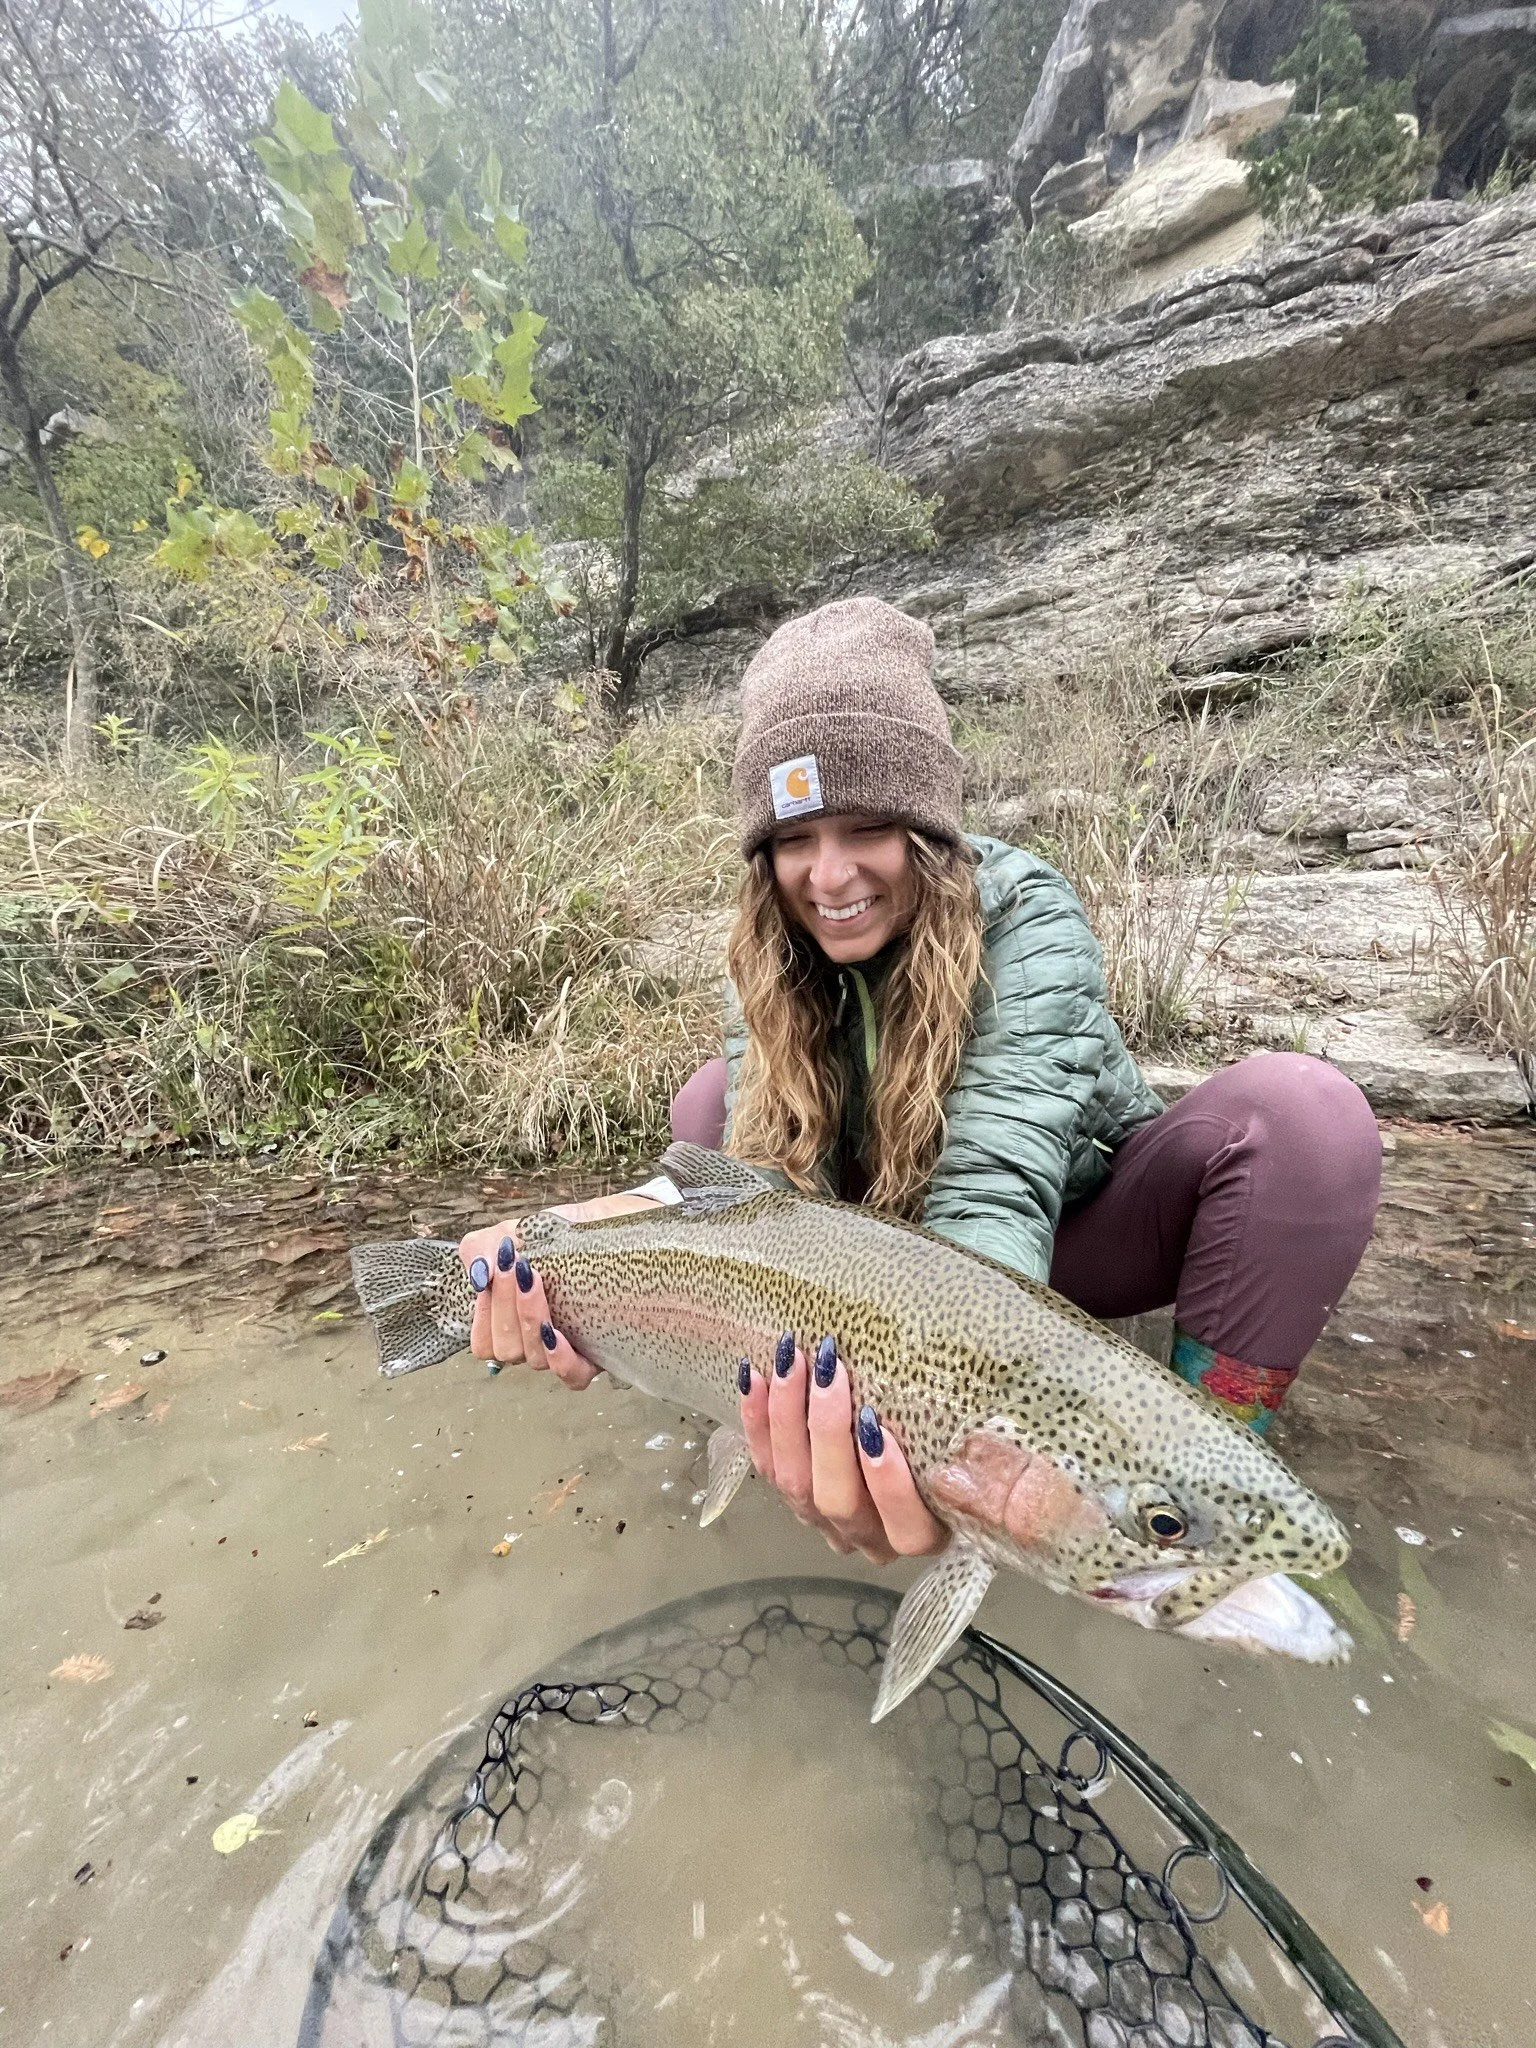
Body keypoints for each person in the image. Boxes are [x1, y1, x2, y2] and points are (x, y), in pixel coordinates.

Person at [459, 596, 1382, 1566]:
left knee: (1304, 1118)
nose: (828, 875)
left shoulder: (1023, 915)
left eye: (864, 828)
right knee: (705, 1104)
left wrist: (970, 1428)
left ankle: (1180, 1473)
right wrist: (575, 1242)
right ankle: (780, 1412)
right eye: (792, 838)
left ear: (927, 829)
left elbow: (992, 1189)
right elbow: (768, 1198)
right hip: (875, 1260)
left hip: (1068, 1233)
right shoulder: (764, 950)